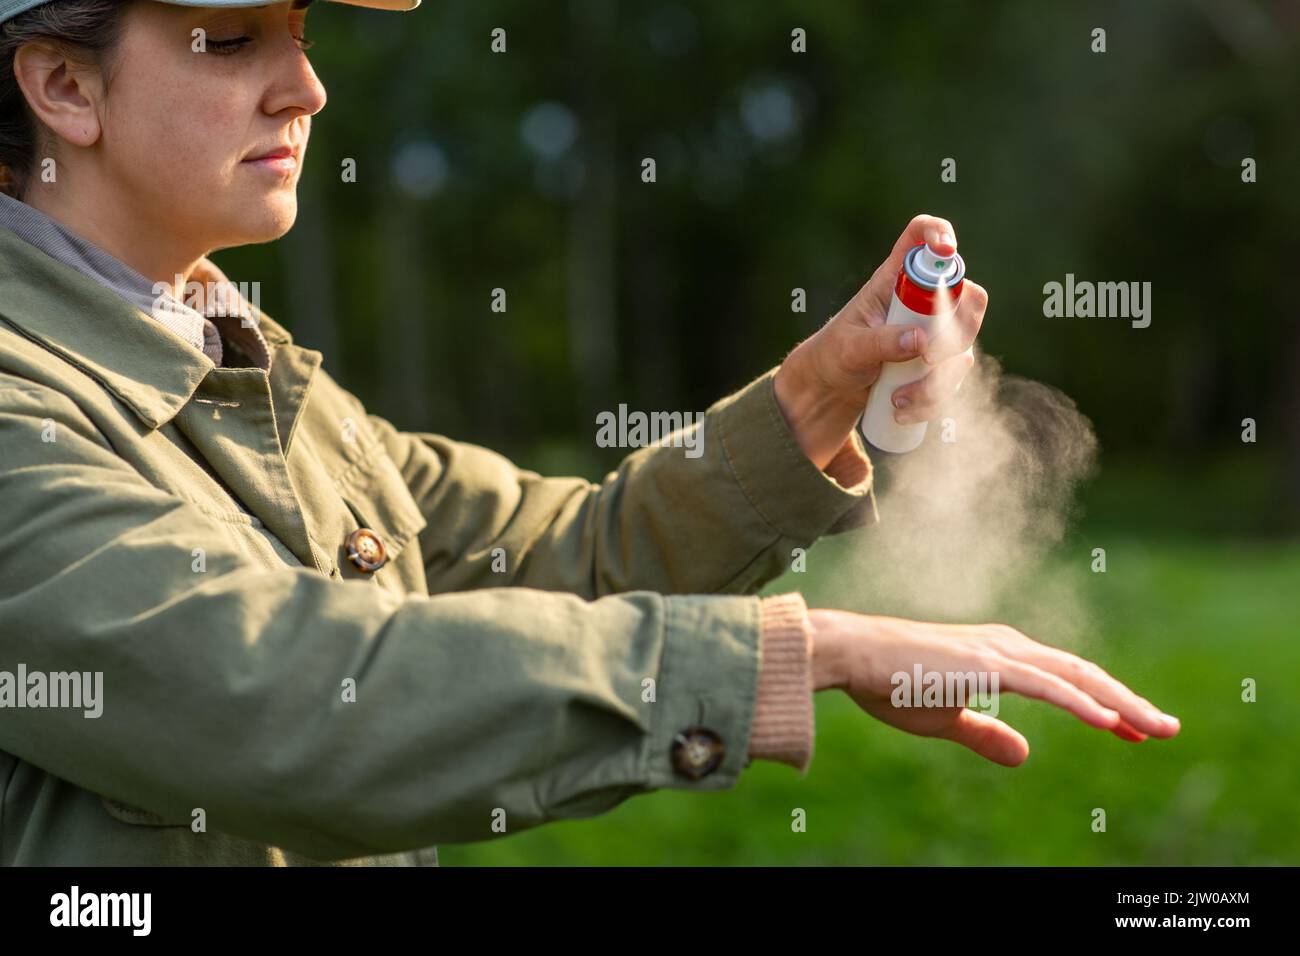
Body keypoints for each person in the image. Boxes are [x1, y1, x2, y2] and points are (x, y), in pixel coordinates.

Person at [0, 0, 1179, 866]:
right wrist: (798, 653)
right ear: (63, 88)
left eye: (300, 31)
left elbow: (552, 555)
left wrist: (811, 400)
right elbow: (284, 701)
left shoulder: (232, 352)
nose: (305, 88)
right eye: (233, 38)